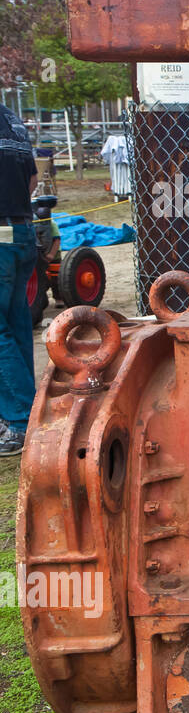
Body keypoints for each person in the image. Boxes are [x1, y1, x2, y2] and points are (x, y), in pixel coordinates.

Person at [0, 103, 39, 455]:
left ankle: (19, 420)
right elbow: (32, 179)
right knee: (15, 323)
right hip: (21, 230)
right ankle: (27, 412)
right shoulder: (12, 121)